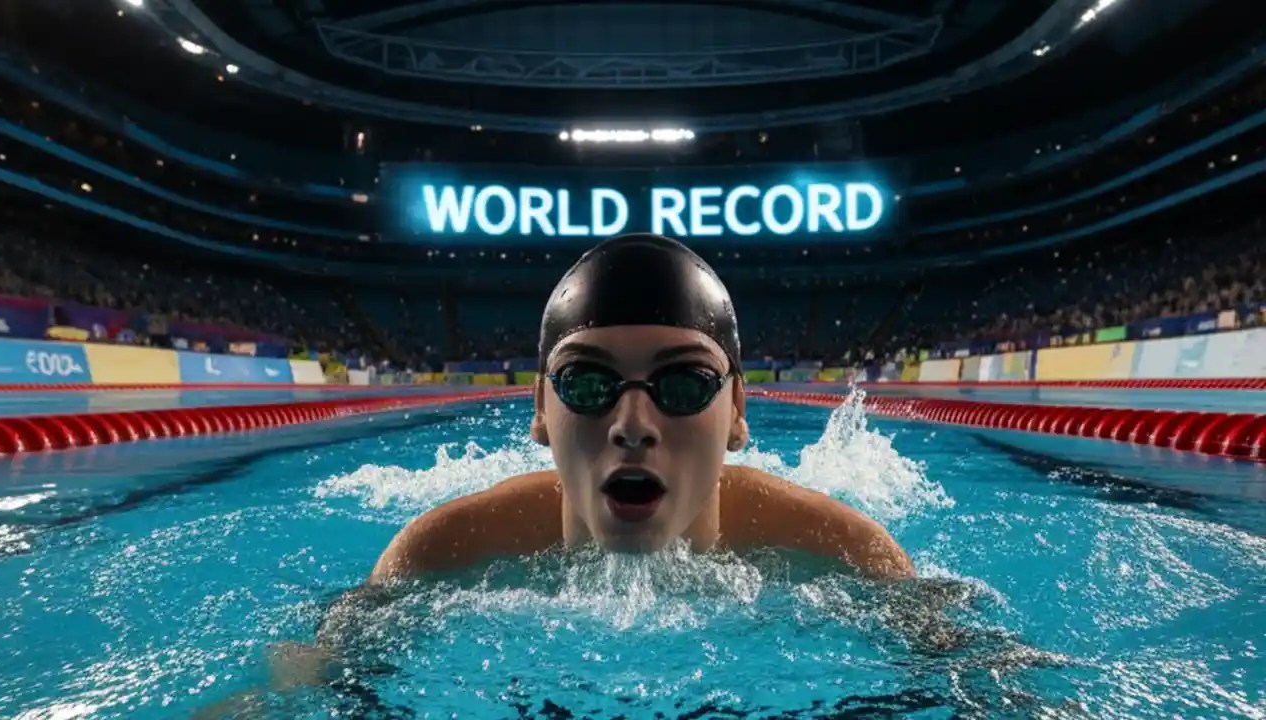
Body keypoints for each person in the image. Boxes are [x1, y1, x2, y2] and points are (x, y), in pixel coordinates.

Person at [197, 234, 914, 714]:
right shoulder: (440, 552)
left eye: (686, 384)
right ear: (540, 409)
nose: (633, 424)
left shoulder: (850, 554)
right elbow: (299, 686)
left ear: (736, 411)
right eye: (589, 385)